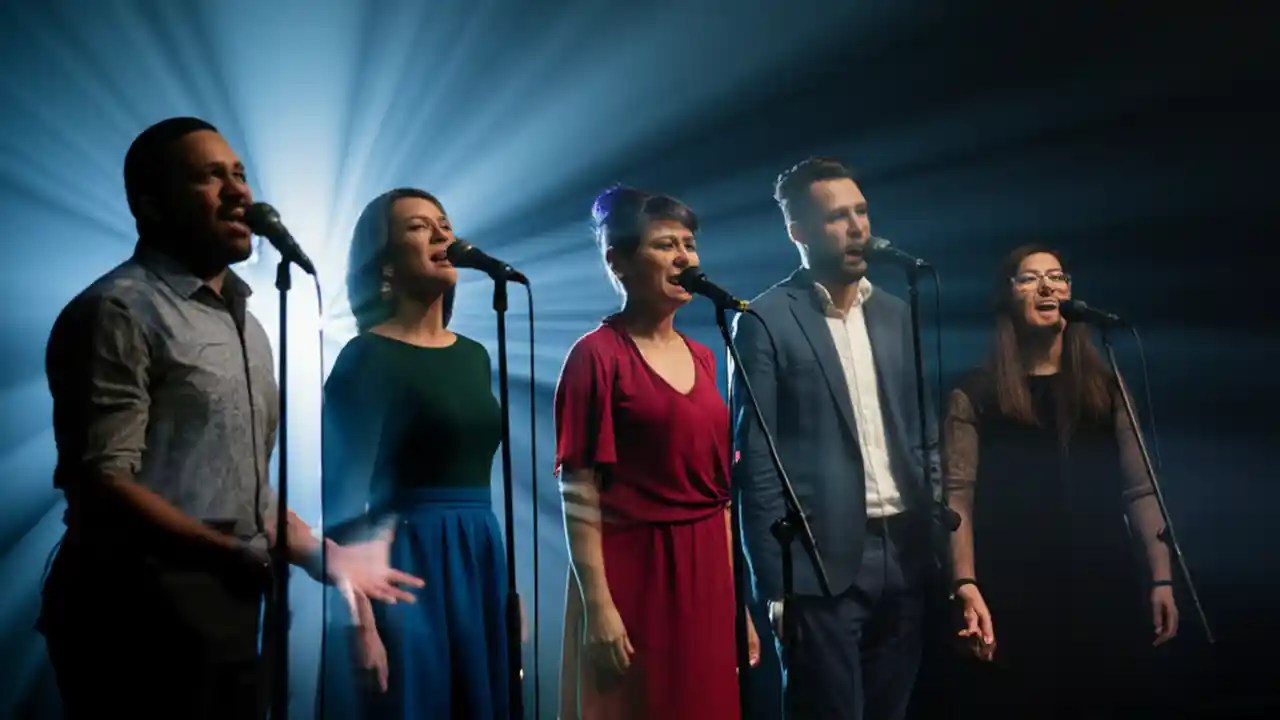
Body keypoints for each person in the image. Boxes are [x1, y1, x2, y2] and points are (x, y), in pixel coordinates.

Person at [37, 117, 423, 720]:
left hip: (227, 613)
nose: (239, 191)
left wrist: (329, 557)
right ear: (152, 205)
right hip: (132, 617)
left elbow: (248, 490)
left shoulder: (247, 323)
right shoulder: (117, 311)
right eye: (210, 177)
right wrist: (227, 553)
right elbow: (102, 484)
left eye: (239, 174)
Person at [731, 157, 940, 719]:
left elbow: (924, 433)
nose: (858, 229)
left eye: (862, 212)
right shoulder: (765, 318)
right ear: (797, 231)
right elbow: (755, 463)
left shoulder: (896, 313)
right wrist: (774, 584)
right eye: (837, 217)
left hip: (906, 549)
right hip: (819, 564)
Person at [943, 244, 1178, 717]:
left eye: (1057, 277)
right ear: (1008, 297)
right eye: (1029, 278)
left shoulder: (1105, 387)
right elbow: (956, 499)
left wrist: (1162, 578)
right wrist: (965, 583)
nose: (1048, 286)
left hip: (1101, 581)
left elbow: (1140, 487)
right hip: (1016, 587)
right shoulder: (976, 393)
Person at [553, 186, 759, 720]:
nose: (685, 258)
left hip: (706, 573)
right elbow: (578, 489)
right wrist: (598, 605)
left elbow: (720, 499)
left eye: (689, 244)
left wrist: (741, 607)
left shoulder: (704, 357)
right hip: (635, 575)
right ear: (618, 263)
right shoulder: (595, 357)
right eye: (665, 244)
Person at [318, 188, 511, 719]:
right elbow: (341, 509)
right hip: (407, 565)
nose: (442, 235)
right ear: (383, 264)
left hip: (476, 558)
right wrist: (360, 623)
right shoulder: (365, 358)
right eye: (419, 227)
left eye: (444, 224)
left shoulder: (473, 356)